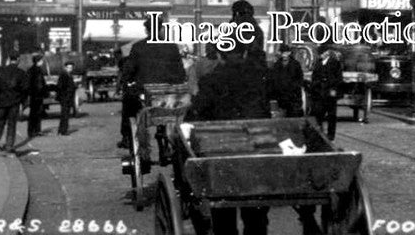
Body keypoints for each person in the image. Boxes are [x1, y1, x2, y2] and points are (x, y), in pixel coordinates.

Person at [186, 39, 270, 235]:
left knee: (223, 214)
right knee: (256, 217)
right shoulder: (260, 78)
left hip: (222, 153)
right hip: (256, 150)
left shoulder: (210, 80)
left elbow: (195, 115)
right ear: (245, 53)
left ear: (220, 55)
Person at [117, 15, 187, 149]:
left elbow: (129, 70)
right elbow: (180, 72)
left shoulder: (138, 47)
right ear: (160, 29)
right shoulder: (171, 46)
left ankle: (126, 137)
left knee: (128, 101)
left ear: (147, 30)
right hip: (169, 95)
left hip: (146, 93)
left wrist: (126, 81)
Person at [0, 54, 29, 153]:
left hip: (2, 102)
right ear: (18, 61)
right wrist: (22, 102)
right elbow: (25, 89)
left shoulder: (0, 71)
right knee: (12, 124)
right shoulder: (21, 73)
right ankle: (9, 145)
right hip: (14, 102)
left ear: (8, 60)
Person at [307, 45, 343, 140]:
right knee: (318, 114)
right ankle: (320, 134)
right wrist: (315, 86)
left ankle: (331, 135)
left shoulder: (335, 63)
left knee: (331, 115)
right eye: (321, 54)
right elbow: (314, 77)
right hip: (320, 93)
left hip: (330, 92)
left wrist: (333, 89)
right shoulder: (318, 63)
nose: (322, 55)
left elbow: (338, 78)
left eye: (323, 53)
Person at [269, 44, 305, 117]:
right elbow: (274, 79)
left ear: (289, 53)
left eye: (285, 52)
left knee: (292, 116)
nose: (284, 55)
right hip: (281, 96)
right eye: (282, 53)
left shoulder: (295, 64)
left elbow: (300, 79)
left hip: (293, 97)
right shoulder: (277, 65)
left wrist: (294, 88)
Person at [26, 54, 48, 138]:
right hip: (35, 95)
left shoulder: (36, 70)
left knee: (37, 113)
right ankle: (32, 131)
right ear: (37, 61)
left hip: (36, 95)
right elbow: (37, 84)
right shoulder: (34, 71)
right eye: (41, 60)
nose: (42, 62)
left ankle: (36, 130)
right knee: (34, 113)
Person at [56, 61, 78, 135]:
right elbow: (60, 87)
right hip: (65, 97)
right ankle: (63, 130)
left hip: (68, 97)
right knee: (65, 115)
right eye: (68, 67)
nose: (70, 69)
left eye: (71, 68)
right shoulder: (64, 75)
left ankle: (61, 129)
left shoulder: (69, 75)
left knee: (65, 114)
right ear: (65, 68)